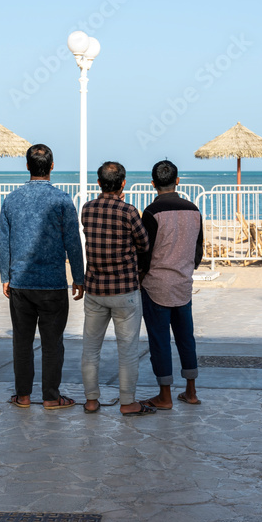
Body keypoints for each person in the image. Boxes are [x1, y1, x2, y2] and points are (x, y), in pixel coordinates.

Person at [0, 144, 85, 410]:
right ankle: (50, 397)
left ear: (27, 166)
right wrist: (78, 277)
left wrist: (5, 275)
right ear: (51, 166)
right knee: (52, 344)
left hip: (21, 283)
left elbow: (4, 242)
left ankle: (23, 396)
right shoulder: (62, 200)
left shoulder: (11, 199)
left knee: (22, 342)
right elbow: (73, 242)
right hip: (52, 284)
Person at [80, 161, 154, 416]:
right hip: (125, 290)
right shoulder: (129, 211)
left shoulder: (87, 209)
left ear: (98, 182)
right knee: (128, 351)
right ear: (123, 183)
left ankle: (91, 401)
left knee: (90, 350)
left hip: (95, 290)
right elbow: (144, 244)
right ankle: (127, 403)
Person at [138, 160, 204, 409]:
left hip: (156, 285)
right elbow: (198, 248)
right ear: (178, 180)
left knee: (160, 340)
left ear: (153, 183)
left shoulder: (151, 213)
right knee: (186, 337)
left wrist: (141, 276)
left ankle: (164, 396)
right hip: (183, 283)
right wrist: (187, 267)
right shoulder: (194, 210)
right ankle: (191, 391)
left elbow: (145, 252)